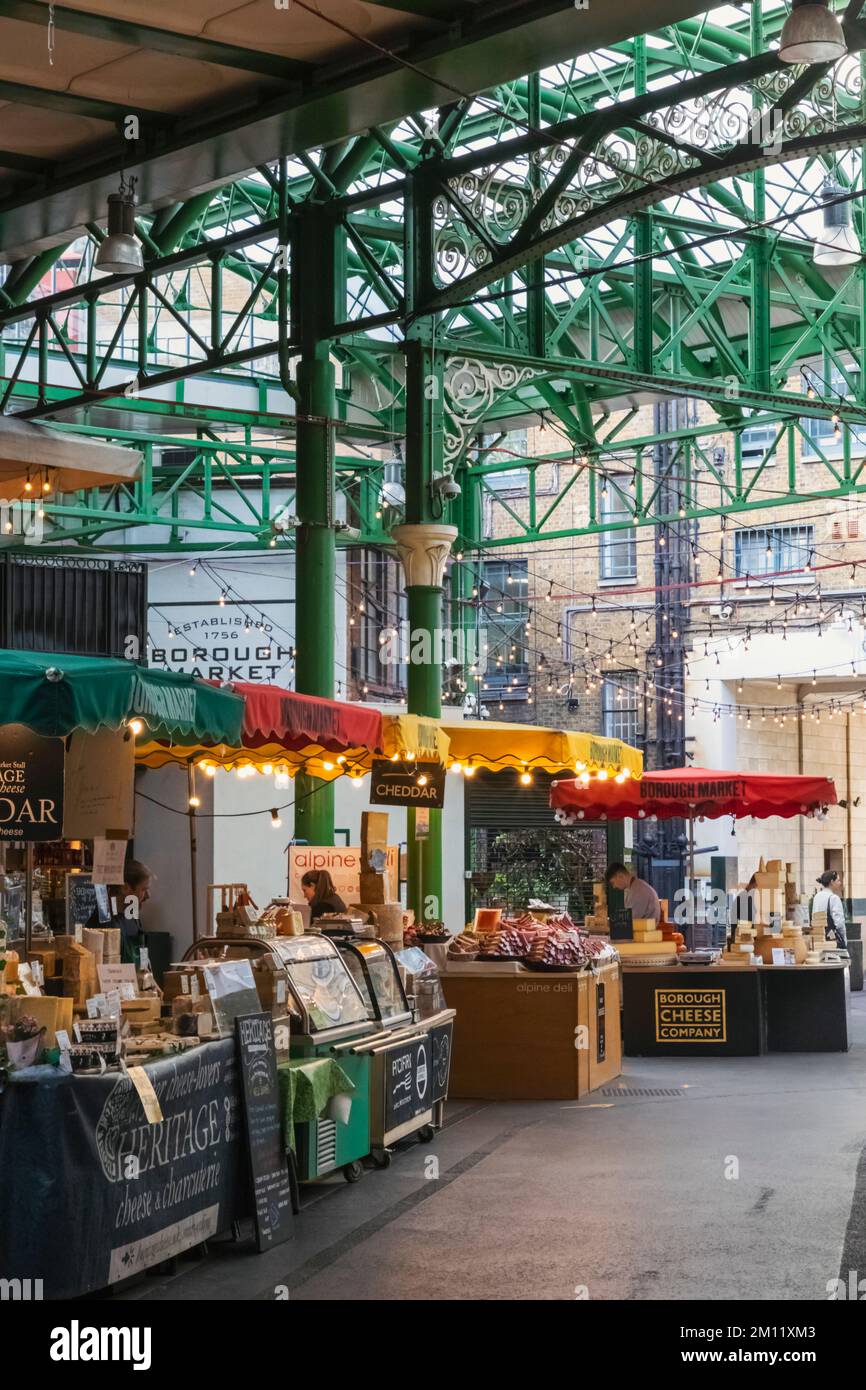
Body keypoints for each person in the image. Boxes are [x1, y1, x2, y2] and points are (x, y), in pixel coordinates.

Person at [86, 859, 153, 964]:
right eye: (144, 890)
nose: (148, 896)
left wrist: (146, 973)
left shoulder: (133, 917)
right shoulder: (102, 922)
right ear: (125, 888)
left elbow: (143, 957)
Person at [811, 870, 847, 948]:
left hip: (818, 937)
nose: (840, 883)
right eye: (838, 880)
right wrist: (843, 939)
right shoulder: (834, 898)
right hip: (832, 941)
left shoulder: (816, 897)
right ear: (832, 882)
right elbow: (839, 924)